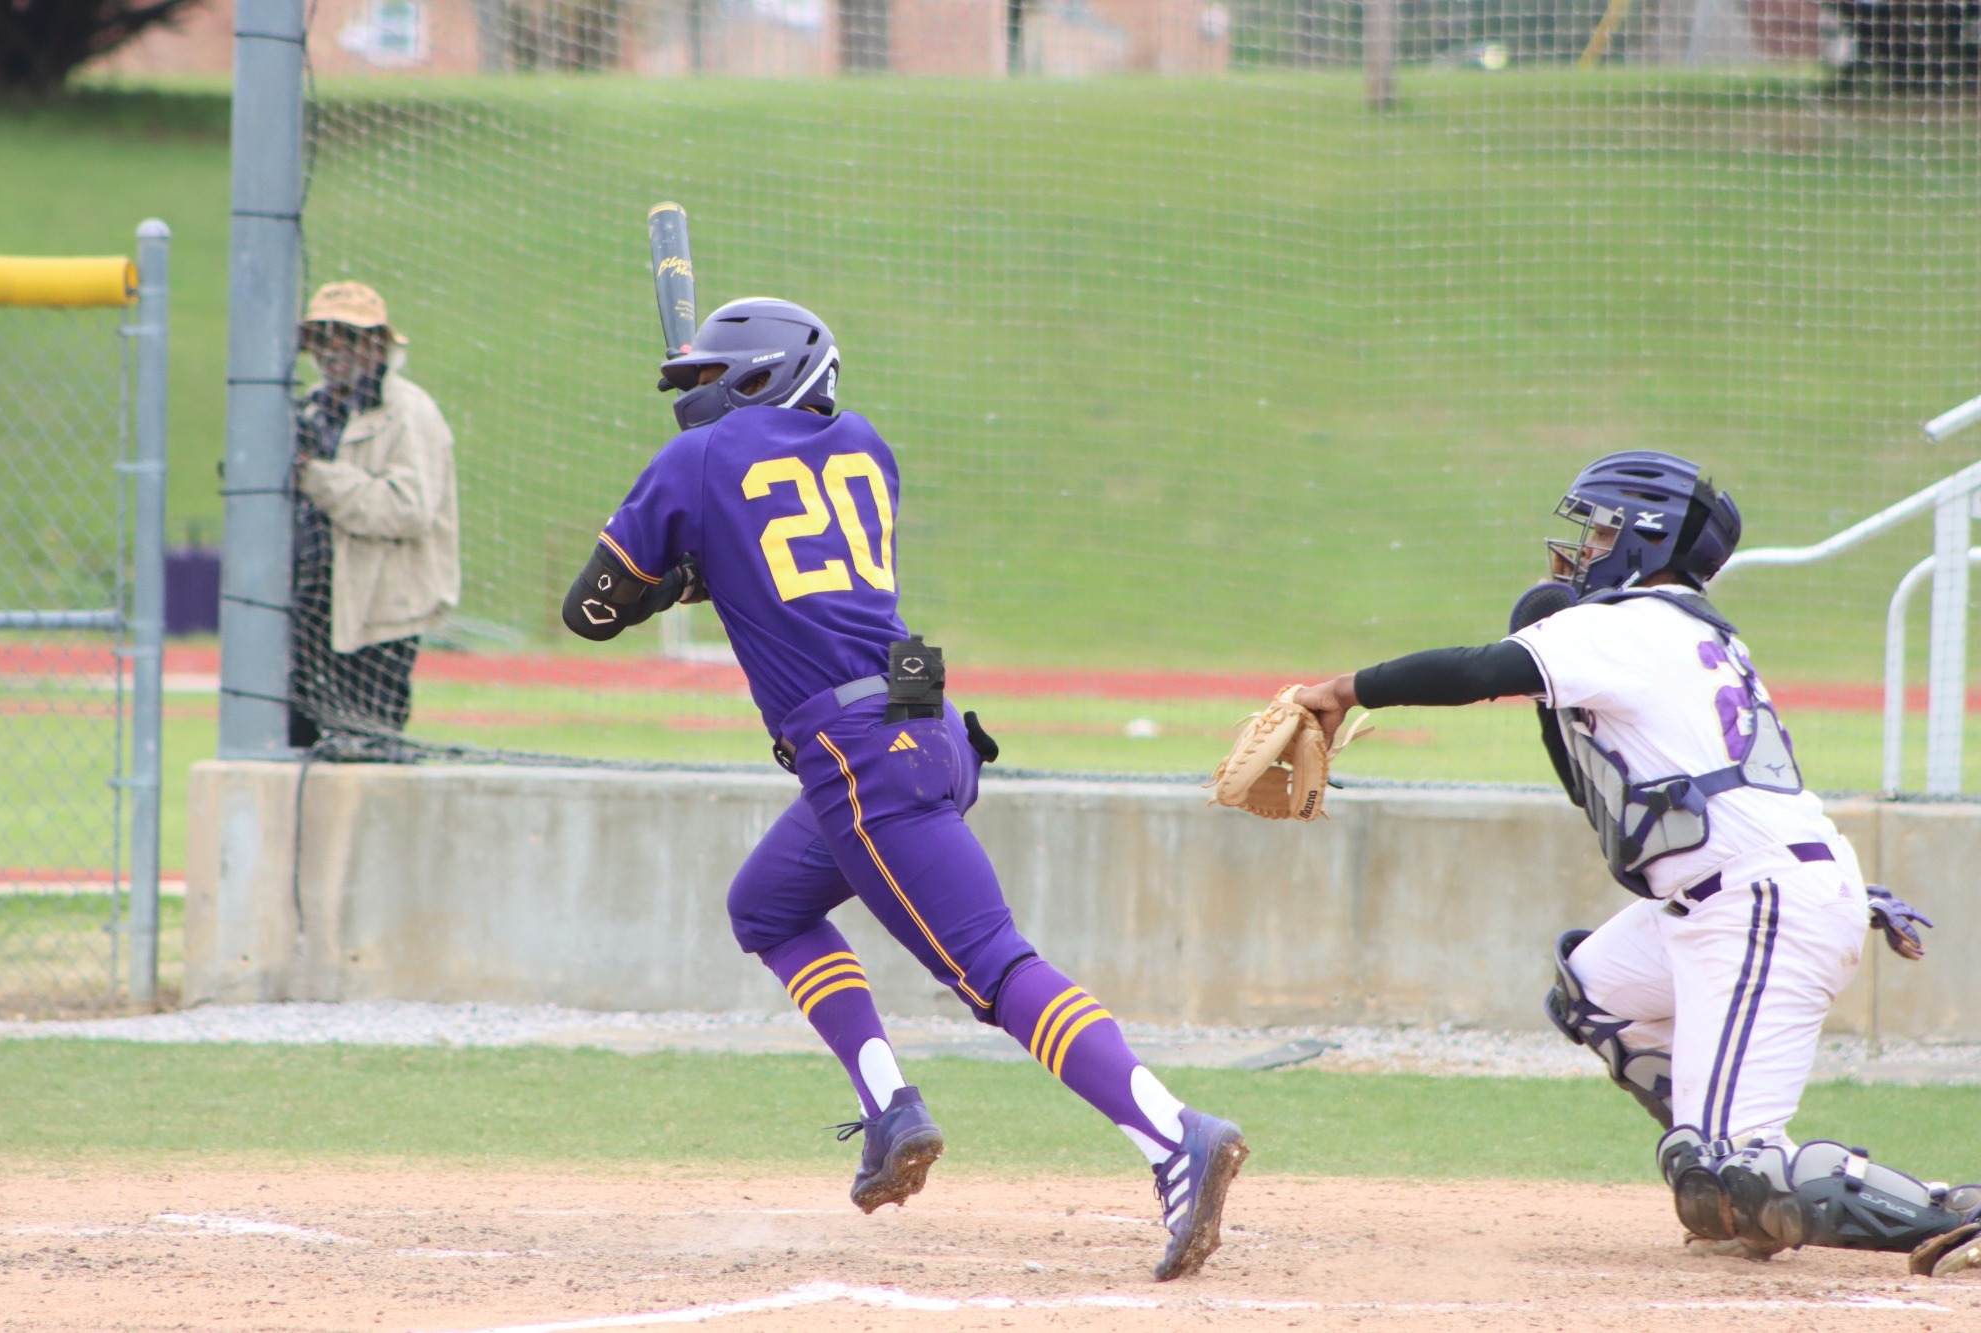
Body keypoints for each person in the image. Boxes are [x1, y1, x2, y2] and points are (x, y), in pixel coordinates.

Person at [560, 297, 1247, 1280]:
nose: (697, 391)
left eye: (711, 375)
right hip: (925, 709)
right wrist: (703, 559)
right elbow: (794, 568)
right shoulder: (866, 444)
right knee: (766, 906)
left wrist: (672, 570)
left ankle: (1174, 1133)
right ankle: (889, 1106)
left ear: (758, 374)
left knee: (993, 969)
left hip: (855, 751)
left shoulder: (697, 460)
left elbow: (589, 612)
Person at [1289, 450, 1981, 1276]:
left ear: (1645, 540)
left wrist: (1345, 689)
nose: (1580, 549)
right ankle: (1724, 1165)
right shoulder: (1673, 629)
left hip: (1756, 900)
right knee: (1598, 989)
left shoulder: (1633, 623)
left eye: (1601, 530)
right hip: (1737, 894)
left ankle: (1935, 1206)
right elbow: (1625, 787)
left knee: (1742, 1168)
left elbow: (1478, 670)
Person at [290, 281, 460, 755]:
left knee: (368, 754)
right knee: (296, 751)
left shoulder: (409, 413)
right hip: (309, 611)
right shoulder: (310, 409)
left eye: (349, 335)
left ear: (378, 345)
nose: (333, 348)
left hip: (379, 618)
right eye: (322, 335)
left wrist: (315, 477)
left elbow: (407, 510)